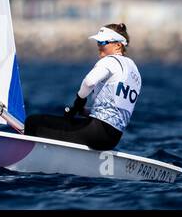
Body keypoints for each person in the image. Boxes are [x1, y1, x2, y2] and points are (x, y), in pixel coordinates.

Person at [22, 23, 140, 151]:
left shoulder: (110, 60)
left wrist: (79, 101)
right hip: (113, 138)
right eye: (98, 42)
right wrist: (84, 111)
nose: (99, 46)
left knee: (33, 122)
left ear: (118, 45)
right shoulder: (135, 72)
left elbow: (89, 82)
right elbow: (116, 112)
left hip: (97, 132)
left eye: (103, 42)